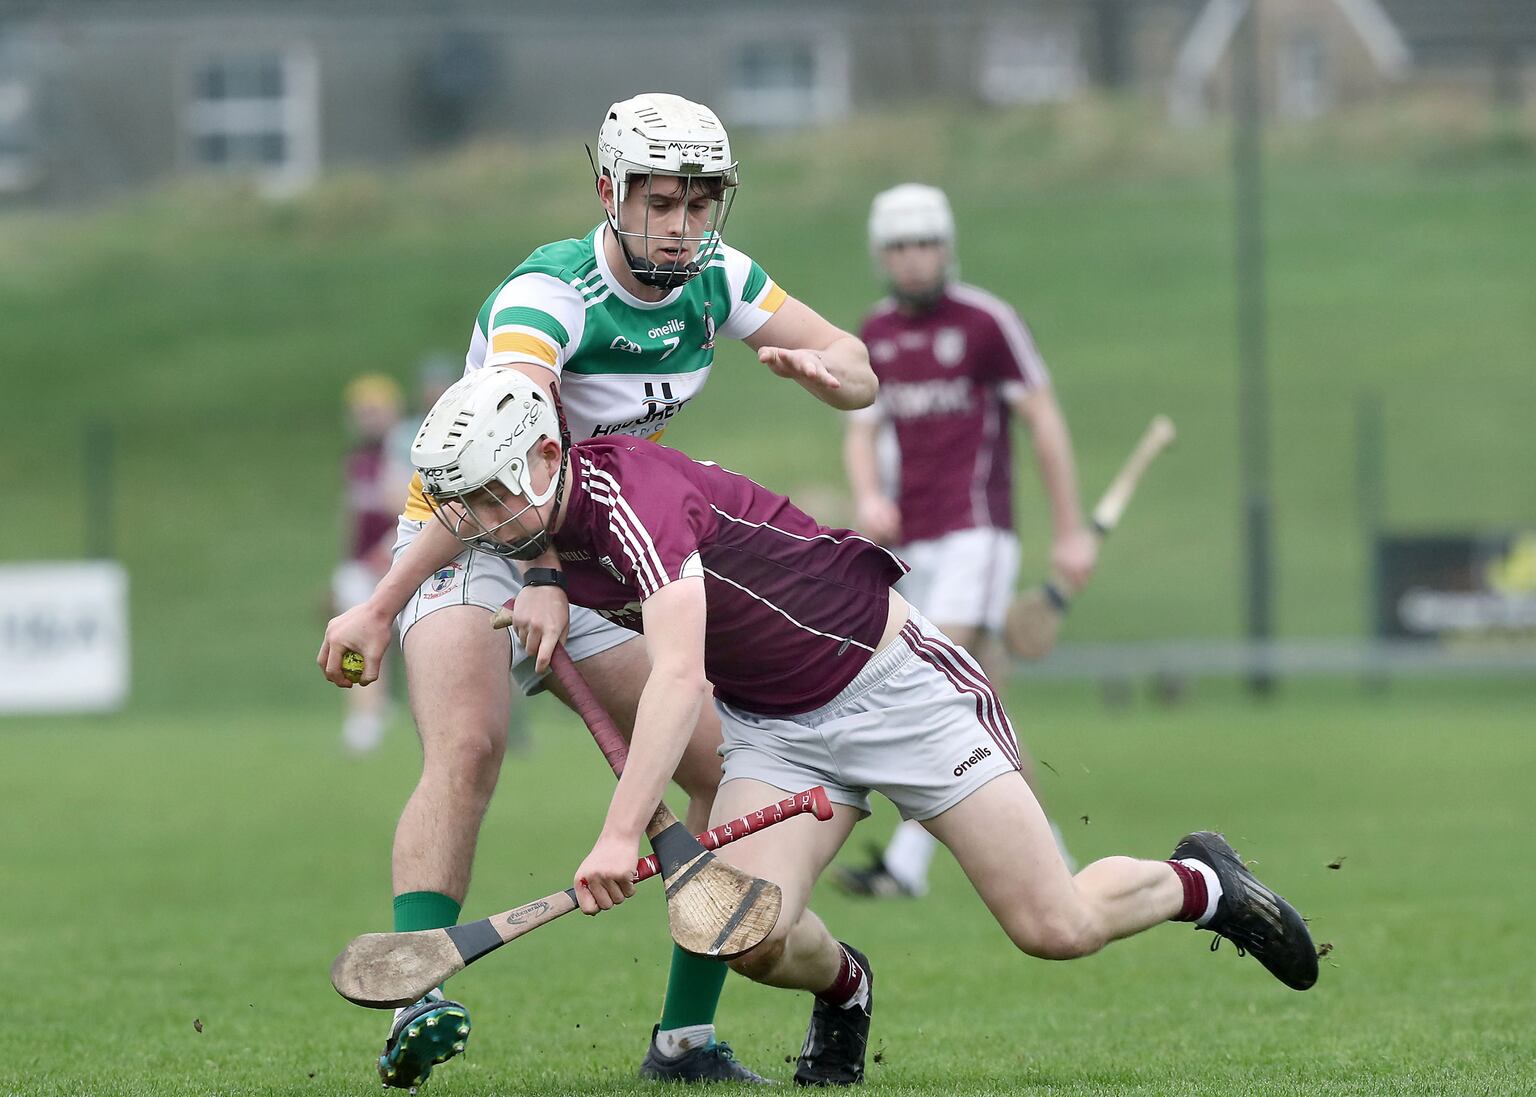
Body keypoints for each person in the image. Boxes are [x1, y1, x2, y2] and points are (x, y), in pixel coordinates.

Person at [410, 367, 1319, 1086]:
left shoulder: (629, 501)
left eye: (490, 500)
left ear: (539, 453)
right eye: (469, 509)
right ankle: (846, 986)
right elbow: (526, 551)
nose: (482, 526)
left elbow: (679, 676)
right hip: (777, 726)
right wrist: (524, 584)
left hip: (896, 687)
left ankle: (1203, 880)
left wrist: (618, 835)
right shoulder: (537, 527)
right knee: (749, 932)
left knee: (1056, 924)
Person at [316, 93, 876, 1089]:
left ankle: (686, 1040)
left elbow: (854, 359)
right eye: (661, 203)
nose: (682, 225)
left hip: (587, 543)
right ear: (610, 192)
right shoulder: (550, 297)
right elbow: (515, 459)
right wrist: (402, 595)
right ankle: (419, 994)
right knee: (470, 741)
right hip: (466, 527)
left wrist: (834, 379)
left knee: (713, 758)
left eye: (701, 206)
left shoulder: (721, 279)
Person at [836, 183, 1094, 899]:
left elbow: (1043, 420)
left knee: (931, 685)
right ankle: (1057, 862)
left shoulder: (987, 323)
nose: (914, 261)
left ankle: (904, 867)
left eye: (925, 245)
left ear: (946, 247)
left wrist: (1069, 529)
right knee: (982, 704)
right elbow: (863, 430)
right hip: (910, 545)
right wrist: (867, 498)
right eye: (899, 247)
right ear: (880, 255)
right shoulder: (875, 332)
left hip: (977, 532)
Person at [333, 374, 409, 753]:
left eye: (374, 410)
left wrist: (387, 553)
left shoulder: (404, 452)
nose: (368, 418)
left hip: (393, 561)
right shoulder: (357, 459)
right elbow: (353, 518)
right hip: (360, 565)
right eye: (362, 411)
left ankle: (371, 711)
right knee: (355, 639)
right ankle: (365, 712)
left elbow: (407, 510)